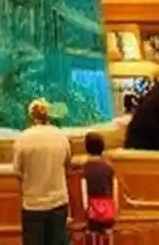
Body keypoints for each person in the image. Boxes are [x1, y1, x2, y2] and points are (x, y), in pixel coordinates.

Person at [12, 99, 72, 245]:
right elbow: (68, 164)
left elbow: (17, 171)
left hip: (33, 203)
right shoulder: (61, 136)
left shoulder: (22, 139)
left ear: (31, 116)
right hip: (58, 201)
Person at [81, 133, 117, 245]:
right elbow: (114, 187)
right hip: (108, 206)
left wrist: (85, 207)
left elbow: (83, 188)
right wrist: (115, 206)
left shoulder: (86, 167)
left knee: (94, 235)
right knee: (108, 234)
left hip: (93, 207)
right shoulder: (109, 167)